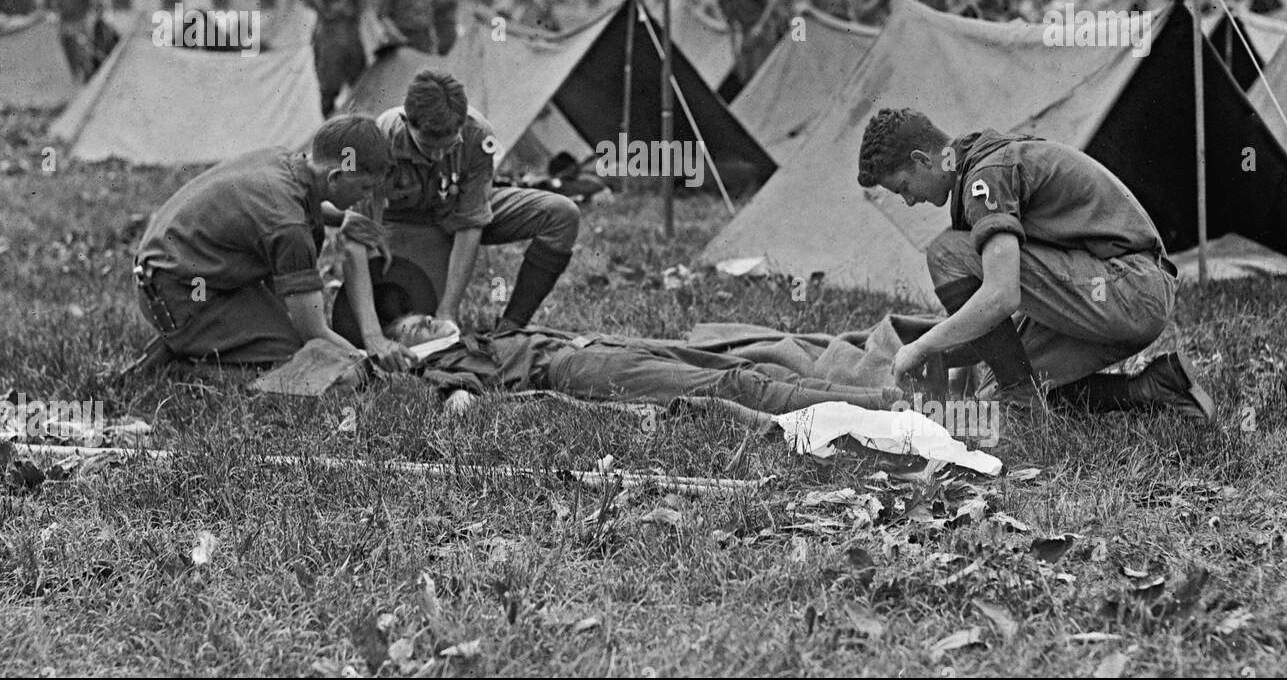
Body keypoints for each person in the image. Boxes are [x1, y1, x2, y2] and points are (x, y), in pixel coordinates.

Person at [855, 108, 1216, 422]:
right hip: (1122, 292)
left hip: (1131, 288)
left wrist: (921, 348)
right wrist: (942, 356)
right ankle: (1154, 388)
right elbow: (999, 330)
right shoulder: (977, 166)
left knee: (946, 253)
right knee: (996, 392)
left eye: (903, 187)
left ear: (922, 159)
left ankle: (1022, 403)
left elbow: (1001, 297)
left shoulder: (985, 176)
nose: (908, 201)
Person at [333, 257, 896, 416]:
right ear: (402, 347)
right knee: (736, 384)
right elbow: (458, 404)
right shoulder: (438, 368)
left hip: (594, 345)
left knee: (746, 361)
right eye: (410, 328)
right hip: (577, 371)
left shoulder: (466, 335)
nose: (424, 321)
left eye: (417, 316)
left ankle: (868, 384)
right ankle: (887, 405)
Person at [334, 70, 580, 371]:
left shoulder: (478, 135)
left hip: (457, 213)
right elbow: (355, 236)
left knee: (561, 214)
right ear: (407, 124)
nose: (439, 156)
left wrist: (448, 310)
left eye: (448, 147)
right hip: (403, 225)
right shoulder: (380, 137)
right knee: (415, 323)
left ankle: (510, 329)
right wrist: (372, 336)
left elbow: (471, 222)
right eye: (428, 147)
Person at [133, 115, 391, 366]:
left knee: (290, 336)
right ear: (335, 177)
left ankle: (198, 341)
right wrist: (370, 365)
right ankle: (184, 364)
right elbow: (314, 334)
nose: (365, 198)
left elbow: (278, 209)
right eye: (365, 188)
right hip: (179, 293)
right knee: (302, 358)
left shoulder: (282, 159)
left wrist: (342, 218)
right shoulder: (291, 229)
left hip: (173, 272)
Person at [702, 0, 774, 85]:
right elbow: (730, 27)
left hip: (765, 27)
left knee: (761, 70)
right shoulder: (722, 0)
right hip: (747, 33)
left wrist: (759, 25)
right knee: (745, 73)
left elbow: (770, 0)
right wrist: (735, 51)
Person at [54, 0, 93, 81]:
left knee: (82, 50)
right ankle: (73, 75)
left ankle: (87, 75)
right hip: (65, 23)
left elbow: (88, 4)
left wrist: (83, 20)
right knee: (67, 50)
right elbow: (58, 4)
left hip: (79, 22)